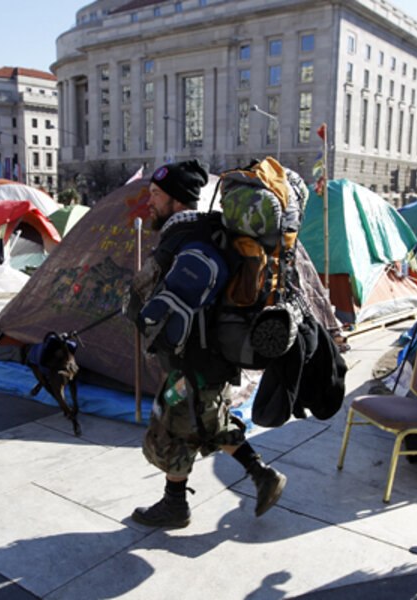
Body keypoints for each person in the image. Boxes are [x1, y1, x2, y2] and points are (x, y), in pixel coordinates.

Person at [124, 159, 287, 528]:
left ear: (177, 200)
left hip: (191, 362)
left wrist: (134, 307)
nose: (150, 201)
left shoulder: (179, 241)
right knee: (211, 421)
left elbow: (139, 300)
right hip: (215, 357)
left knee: (173, 431)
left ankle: (175, 505)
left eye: (156, 194)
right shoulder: (213, 229)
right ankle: (262, 475)